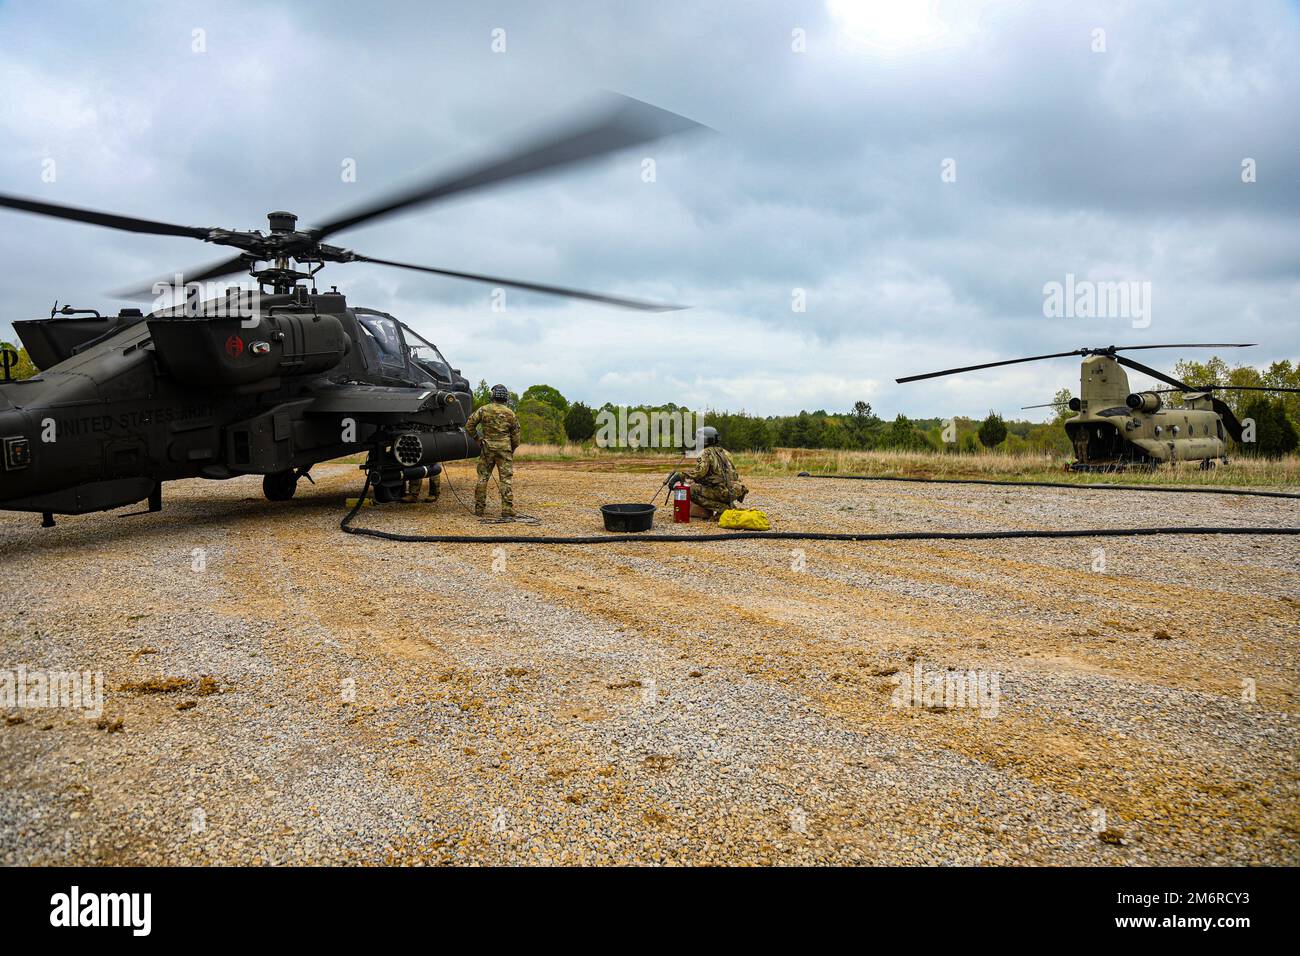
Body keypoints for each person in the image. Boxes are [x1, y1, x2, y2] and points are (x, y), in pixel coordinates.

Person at [465, 384, 520, 518]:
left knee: (483, 478)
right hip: (504, 450)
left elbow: (469, 425)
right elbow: (516, 436)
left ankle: (479, 509)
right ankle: (507, 509)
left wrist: (477, 439)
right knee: (505, 479)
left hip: (487, 448)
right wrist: (511, 448)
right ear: (505, 398)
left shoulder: (483, 410)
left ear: (493, 396)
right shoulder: (510, 413)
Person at [673, 426, 748, 520]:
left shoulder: (706, 453)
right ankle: (729, 505)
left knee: (691, 490)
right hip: (736, 490)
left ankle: (723, 509)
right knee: (710, 485)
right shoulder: (725, 452)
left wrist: (681, 475)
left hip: (722, 491)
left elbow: (700, 472)